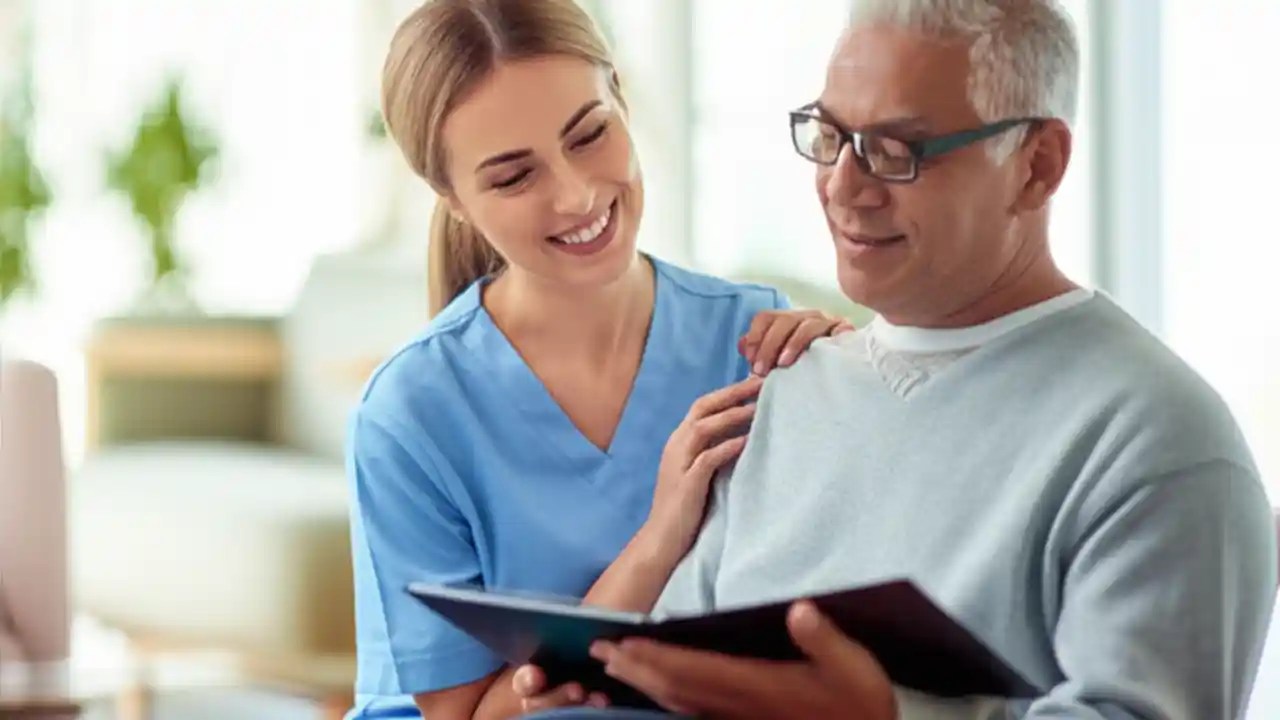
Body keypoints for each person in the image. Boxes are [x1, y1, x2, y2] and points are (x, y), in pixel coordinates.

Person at [513, 0, 1279, 718]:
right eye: (830, 135)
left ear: (1037, 164)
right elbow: (675, 669)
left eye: (896, 150)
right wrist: (602, 695)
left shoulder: (1159, 442)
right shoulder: (785, 393)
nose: (843, 187)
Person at [344, 1, 853, 718]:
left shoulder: (752, 337)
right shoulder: (411, 414)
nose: (576, 195)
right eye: (513, 178)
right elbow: (466, 715)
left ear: (620, 95)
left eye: (589, 135)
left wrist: (852, 382)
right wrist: (659, 538)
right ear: (451, 198)